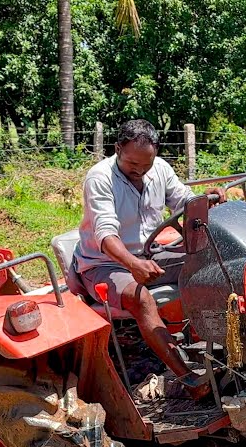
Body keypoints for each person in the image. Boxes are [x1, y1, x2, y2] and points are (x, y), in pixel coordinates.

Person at [70, 119, 221, 401]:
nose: (139, 172)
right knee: (141, 299)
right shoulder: (100, 178)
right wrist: (133, 265)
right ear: (117, 149)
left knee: (213, 264)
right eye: (131, 165)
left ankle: (223, 346)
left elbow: (184, 203)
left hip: (147, 254)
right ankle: (189, 378)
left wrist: (206, 200)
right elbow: (105, 235)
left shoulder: (160, 169)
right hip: (104, 264)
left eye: (146, 165)